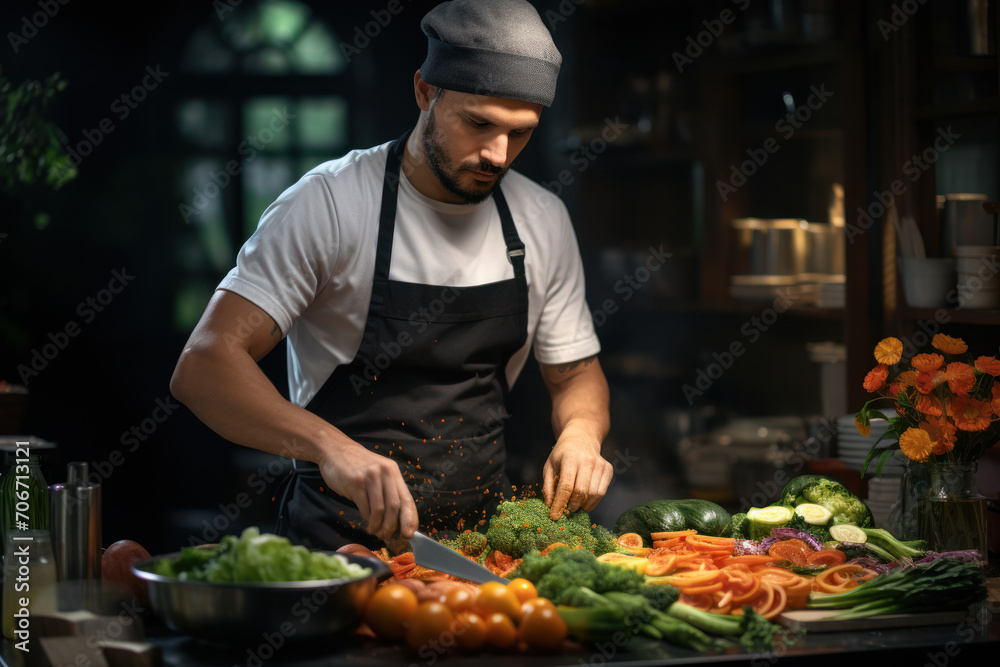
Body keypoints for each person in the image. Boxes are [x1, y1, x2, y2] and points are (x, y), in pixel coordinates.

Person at [170, 0, 612, 551]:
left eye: (520, 133)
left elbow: (575, 374)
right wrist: (331, 447)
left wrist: (581, 434)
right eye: (479, 123)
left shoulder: (542, 219)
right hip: (340, 547)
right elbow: (204, 366)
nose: (498, 155)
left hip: (482, 550)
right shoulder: (329, 205)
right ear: (425, 91)